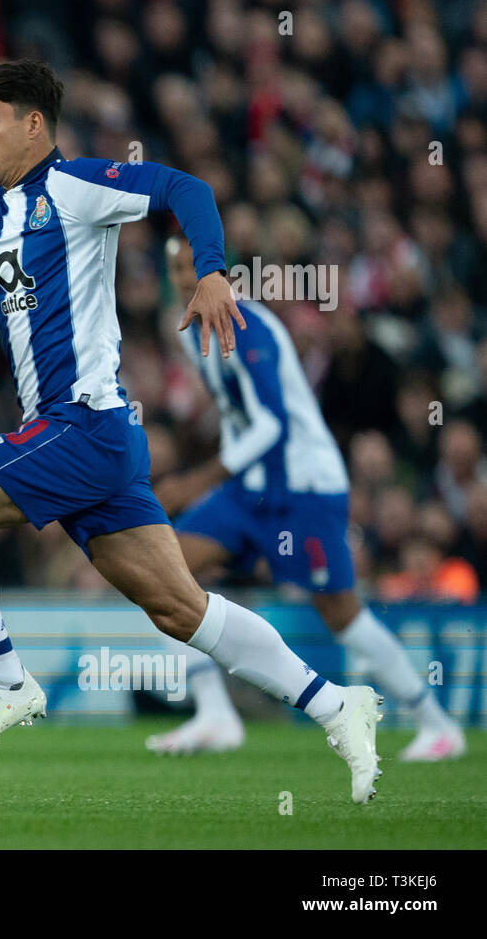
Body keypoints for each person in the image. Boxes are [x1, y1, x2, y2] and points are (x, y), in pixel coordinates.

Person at [0, 59, 383, 803]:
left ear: (33, 125)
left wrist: (210, 271)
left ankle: (5, 680)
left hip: (81, 425)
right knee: (183, 609)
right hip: (93, 443)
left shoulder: (78, 187)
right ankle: (337, 704)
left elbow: (188, 189)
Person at [148, 238, 464, 761]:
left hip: (304, 487)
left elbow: (271, 424)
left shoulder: (247, 328)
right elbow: (238, 417)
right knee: (160, 574)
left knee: (342, 614)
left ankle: (436, 723)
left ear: (218, 271)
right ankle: (215, 715)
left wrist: (195, 481)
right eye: (175, 269)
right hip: (248, 490)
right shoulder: (189, 330)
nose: (185, 280)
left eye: (194, 268)